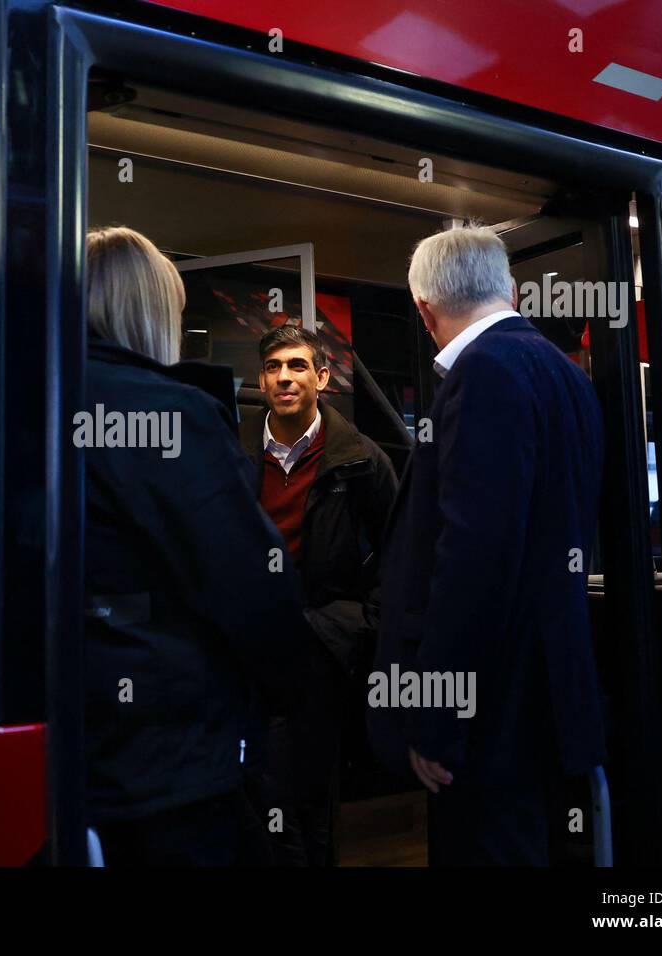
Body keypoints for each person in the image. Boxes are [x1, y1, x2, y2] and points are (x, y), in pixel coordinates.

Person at [368, 224, 605, 866]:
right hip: (546, 695)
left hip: (491, 712)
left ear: (424, 309)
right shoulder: (568, 376)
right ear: (513, 289)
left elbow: (474, 559)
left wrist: (439, 713)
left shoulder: (484, 374)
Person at [81, 226, 312, 866]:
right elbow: (252, 588)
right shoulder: (170, 414)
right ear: (151, 313)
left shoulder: (24, 400)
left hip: (72, 752)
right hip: (170, 757)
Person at [238, 325, 398, 866]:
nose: (285, 377)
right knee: (255, 792)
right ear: (261, 380)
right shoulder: (230, 450)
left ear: (322, 377)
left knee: (307, 795)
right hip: (248, 646)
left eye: (298, 365)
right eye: (274, 367)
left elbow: (399, 553)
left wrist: (357, 625)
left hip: (320, 645)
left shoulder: (361, 459)